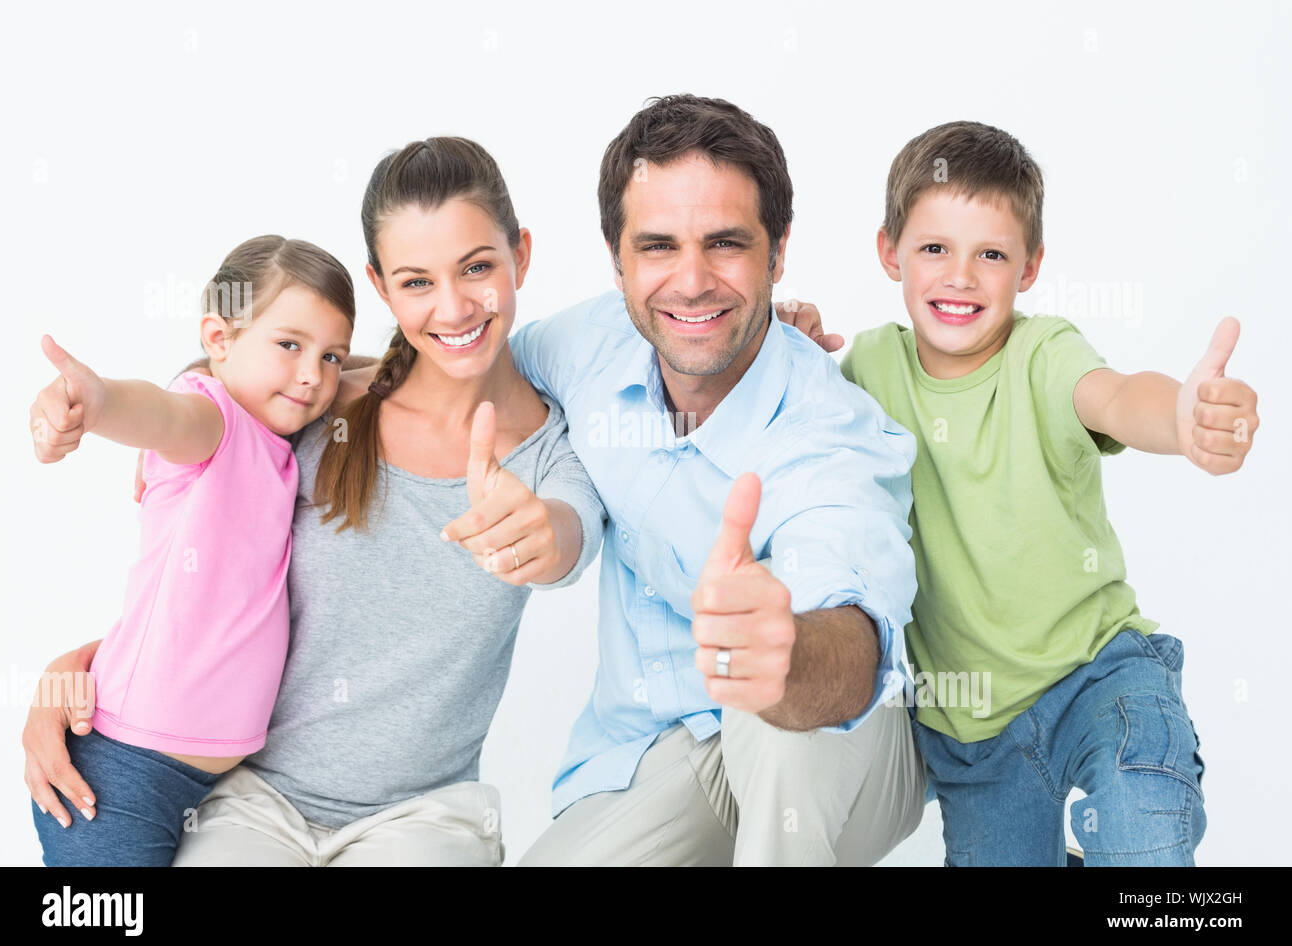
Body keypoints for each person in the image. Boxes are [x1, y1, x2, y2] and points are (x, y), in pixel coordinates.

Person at [22, 137, 606, 866]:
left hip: (425, 817)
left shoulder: (557, 451)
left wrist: (542, 538)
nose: (453, 306)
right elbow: (191, 498)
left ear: (520, 254)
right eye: (417, 282)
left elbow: (569, 535)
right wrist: (71, 669)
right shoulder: (312, 411)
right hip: (249, 797)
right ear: (383, 288)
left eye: (478, 267)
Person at [510, 95, 926, 866]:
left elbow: (854, 639)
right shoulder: (590, 342)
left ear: (778, 252)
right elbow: (461, 365)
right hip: (657, 749)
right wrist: (243, 390)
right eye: (659, 246)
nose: (692, 282)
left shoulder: (826, 432)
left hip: (837, 750)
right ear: (617, 258)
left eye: (727, 244)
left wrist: (787, 650)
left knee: (767, 703)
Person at [838, 120, 1259, 865]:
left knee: (1142, 831)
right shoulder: (870, 367)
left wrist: (1181, 416)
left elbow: (1117, 396)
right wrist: (791, 334)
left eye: (991, 254)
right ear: (889, 252)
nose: (960, 277)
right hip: (972, 732)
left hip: (1098, 676)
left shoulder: (1043, 353)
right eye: (935, 248)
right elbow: (790, 419)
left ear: (1029, 267)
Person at [26, 235, 356, 865]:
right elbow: (159, 414)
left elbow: (371, 378)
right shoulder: (216, 420)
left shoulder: (278, 442)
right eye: (290, 345)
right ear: (220, 338)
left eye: (331, 355)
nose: (314, 374)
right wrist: (98, 403)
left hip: (204, 780)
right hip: (122, 768)